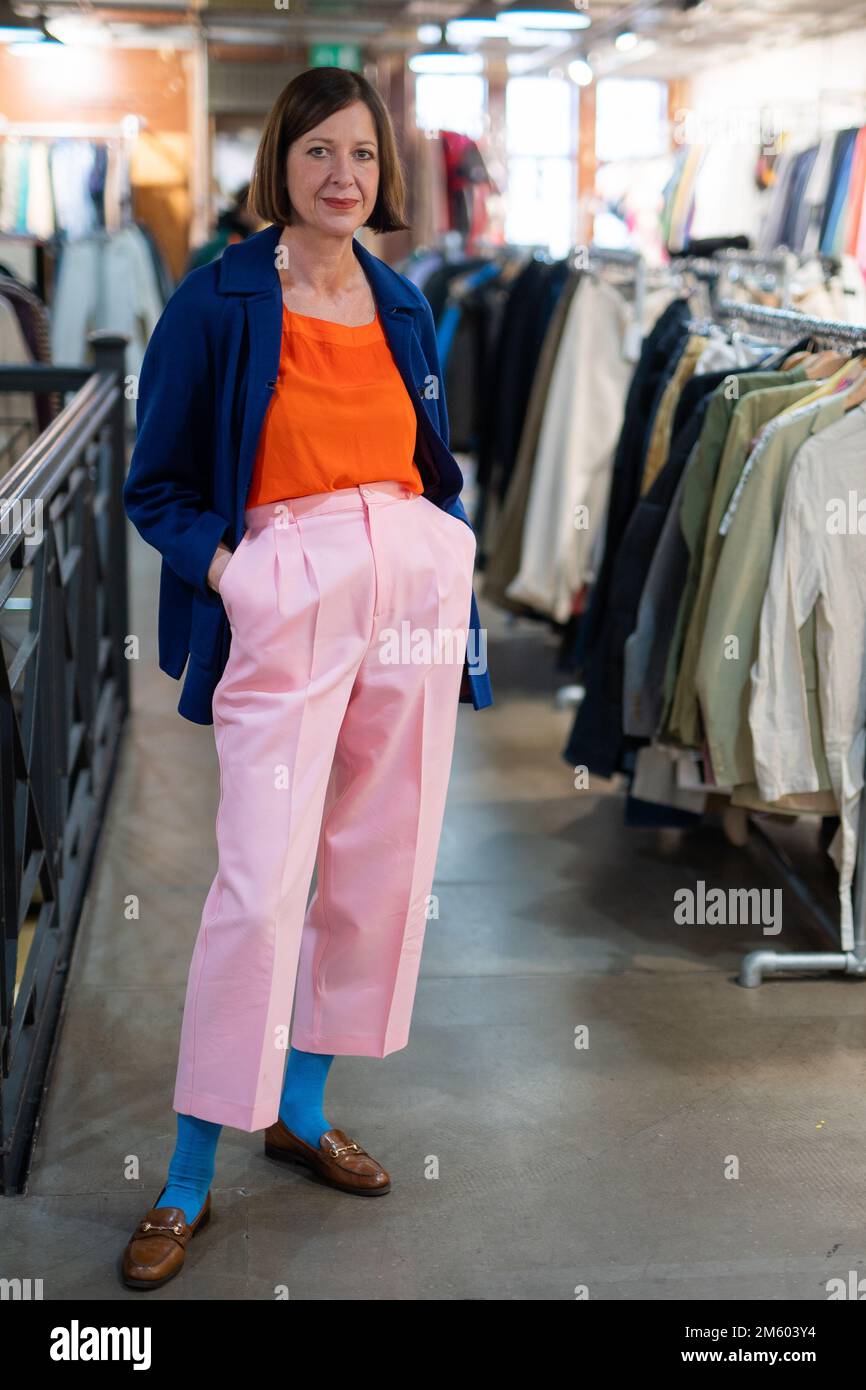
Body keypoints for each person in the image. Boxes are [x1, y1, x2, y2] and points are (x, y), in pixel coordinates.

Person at [119, 65, 493, 1289]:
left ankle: (301, 1105)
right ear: (281, 161)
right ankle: (184, 1177)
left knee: (376, 865)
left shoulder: (401, 303)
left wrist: (442, 548)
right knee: (257, 882)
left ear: (387, 179)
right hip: (287, 588)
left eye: (366, 158)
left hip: (408, 589)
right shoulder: (215, 300)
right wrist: (233, 573)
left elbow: (423, 456)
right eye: (321, 152)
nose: (345, 176)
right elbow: (156, 486)